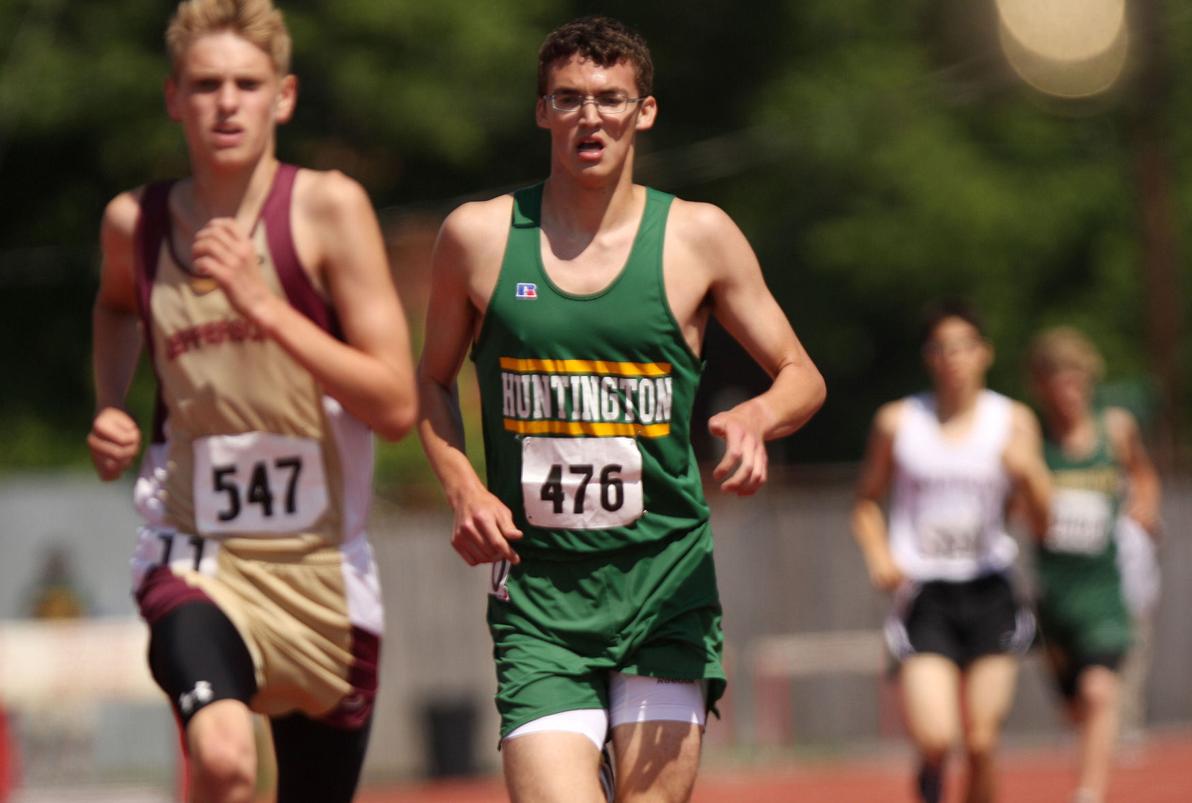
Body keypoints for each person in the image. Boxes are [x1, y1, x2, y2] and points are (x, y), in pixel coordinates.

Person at [416, 16, 825, 803]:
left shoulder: (699, 237)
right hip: (540, 601)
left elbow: (801, 373)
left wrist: (755, 419)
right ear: (541, 111)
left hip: (664, 587)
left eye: (610, 99)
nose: (589, 117)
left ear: (646, 111)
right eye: (568, 99)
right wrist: (464, 485)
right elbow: (430, 384)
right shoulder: (478, 236)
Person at [86, 2, 417, 801]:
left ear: (285, 96)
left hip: (322, 569)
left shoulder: (329, 209)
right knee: (226, 760)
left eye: (246, 83)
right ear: (174, 98)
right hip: (196, 550)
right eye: (205, 85)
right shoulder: (138, 222)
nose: (226, 103)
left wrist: (262, 305)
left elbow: (396, 404)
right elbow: (117, 305)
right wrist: (110, 402)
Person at [851, 300, 1053, 803]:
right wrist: (879, 554)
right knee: (939, 738)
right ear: (929, 357)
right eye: (942, 348)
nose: (953, 358)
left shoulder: (1013, 421)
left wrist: (1028, 474)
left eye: (964, 346)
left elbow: (1044, 521)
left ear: (984, 353)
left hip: (990, 588)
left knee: (982, 741)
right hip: (924, 594)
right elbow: (865, 502)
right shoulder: (898, 422)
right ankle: (931, 769)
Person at [1027, 326, 1161, 803]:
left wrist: (1146, 505)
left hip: (1104, 588)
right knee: (1075, 709)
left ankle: (1089, 794)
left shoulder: (1117, 429)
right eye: (1057, 381)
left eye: (1076, 379)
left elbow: (1143, 474)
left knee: (1101, 692)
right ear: (1041, 386)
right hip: (1054, 593)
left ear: (1089, 380)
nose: (1069, 391)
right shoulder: (1032, 439)